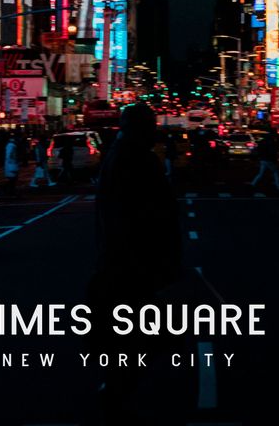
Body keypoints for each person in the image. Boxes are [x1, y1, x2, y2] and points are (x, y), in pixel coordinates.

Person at [89, 103, 182, 423]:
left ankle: (116, 392)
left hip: (123, 265)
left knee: (136, 338)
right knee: (147, 336)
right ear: (139, 128)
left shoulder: (121, 157)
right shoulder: (134, 160)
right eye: (150, 125)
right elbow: (141, 217)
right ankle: (115, 393)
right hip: (130, 267)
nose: (155, 131)